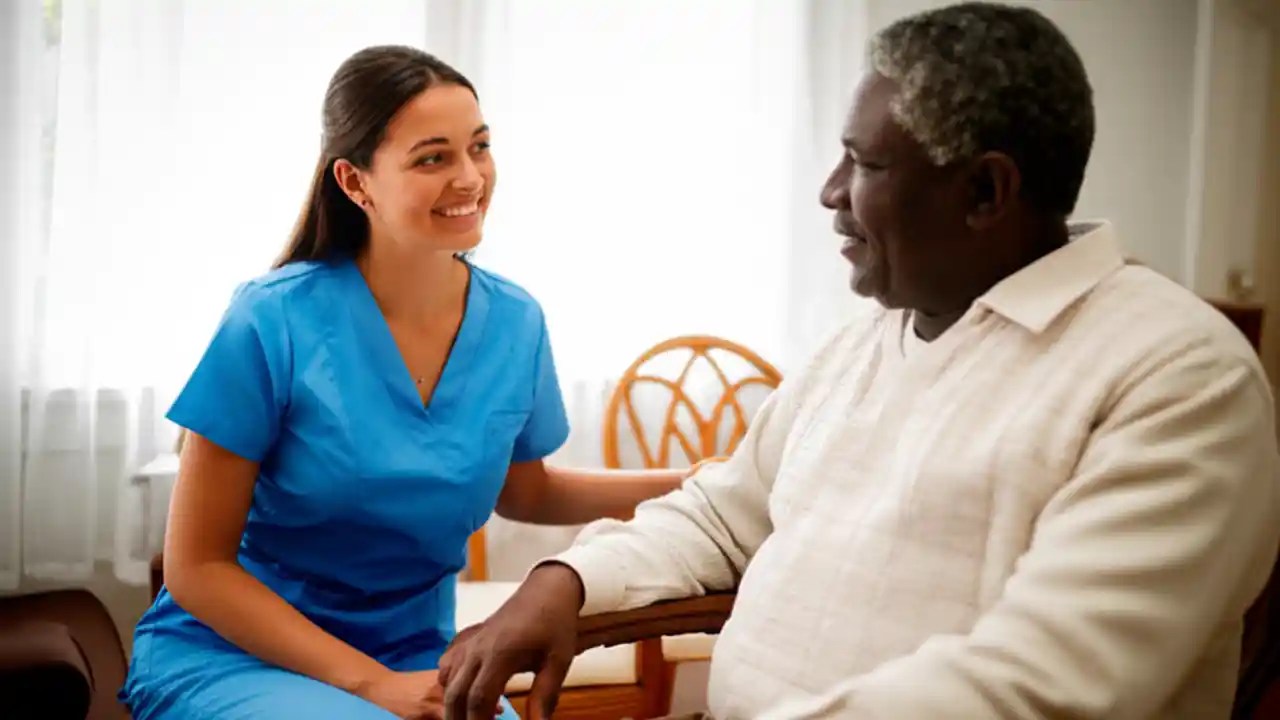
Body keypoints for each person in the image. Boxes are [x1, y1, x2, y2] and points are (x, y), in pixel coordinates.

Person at [438, 4, 1280, 719]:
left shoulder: (1176, 375)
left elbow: (1045, 683)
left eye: (867, 163)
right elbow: (722, 516)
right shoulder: (865, 343)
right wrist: (566, 580)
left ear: (985, 193)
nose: (831, 191)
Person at [118, 46, 683, 720]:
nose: (470, 177)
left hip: (415, 654)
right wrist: (370, 685)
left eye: (480, 147)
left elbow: (526, 489)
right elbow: (197, 568)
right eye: (432, 158)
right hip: (240, 653)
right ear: (355, 183)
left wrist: (698, 485)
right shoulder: (271, 319)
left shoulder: (516, 322)